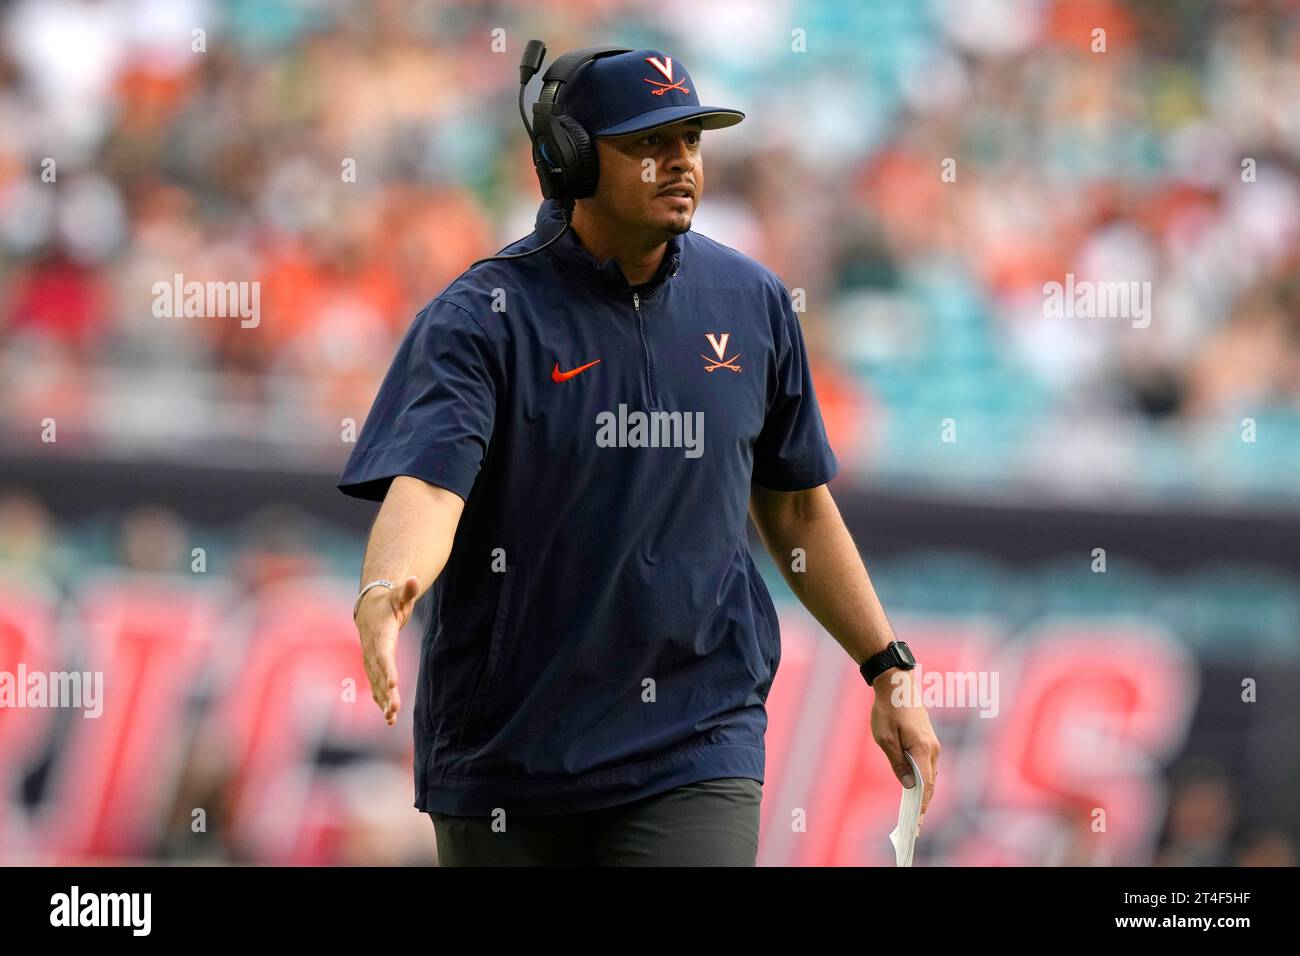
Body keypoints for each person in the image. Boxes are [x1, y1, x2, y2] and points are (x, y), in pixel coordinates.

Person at [338, 44, 939, 866]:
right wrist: (386, 585)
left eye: (690, 140)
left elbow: (796, 504)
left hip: (696, 735)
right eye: (648, 144)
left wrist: (886, 666)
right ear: (571, 158)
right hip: (509, 748)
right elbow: (431, 490)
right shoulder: (483, 315)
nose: (680, 163)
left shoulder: (753, 301)